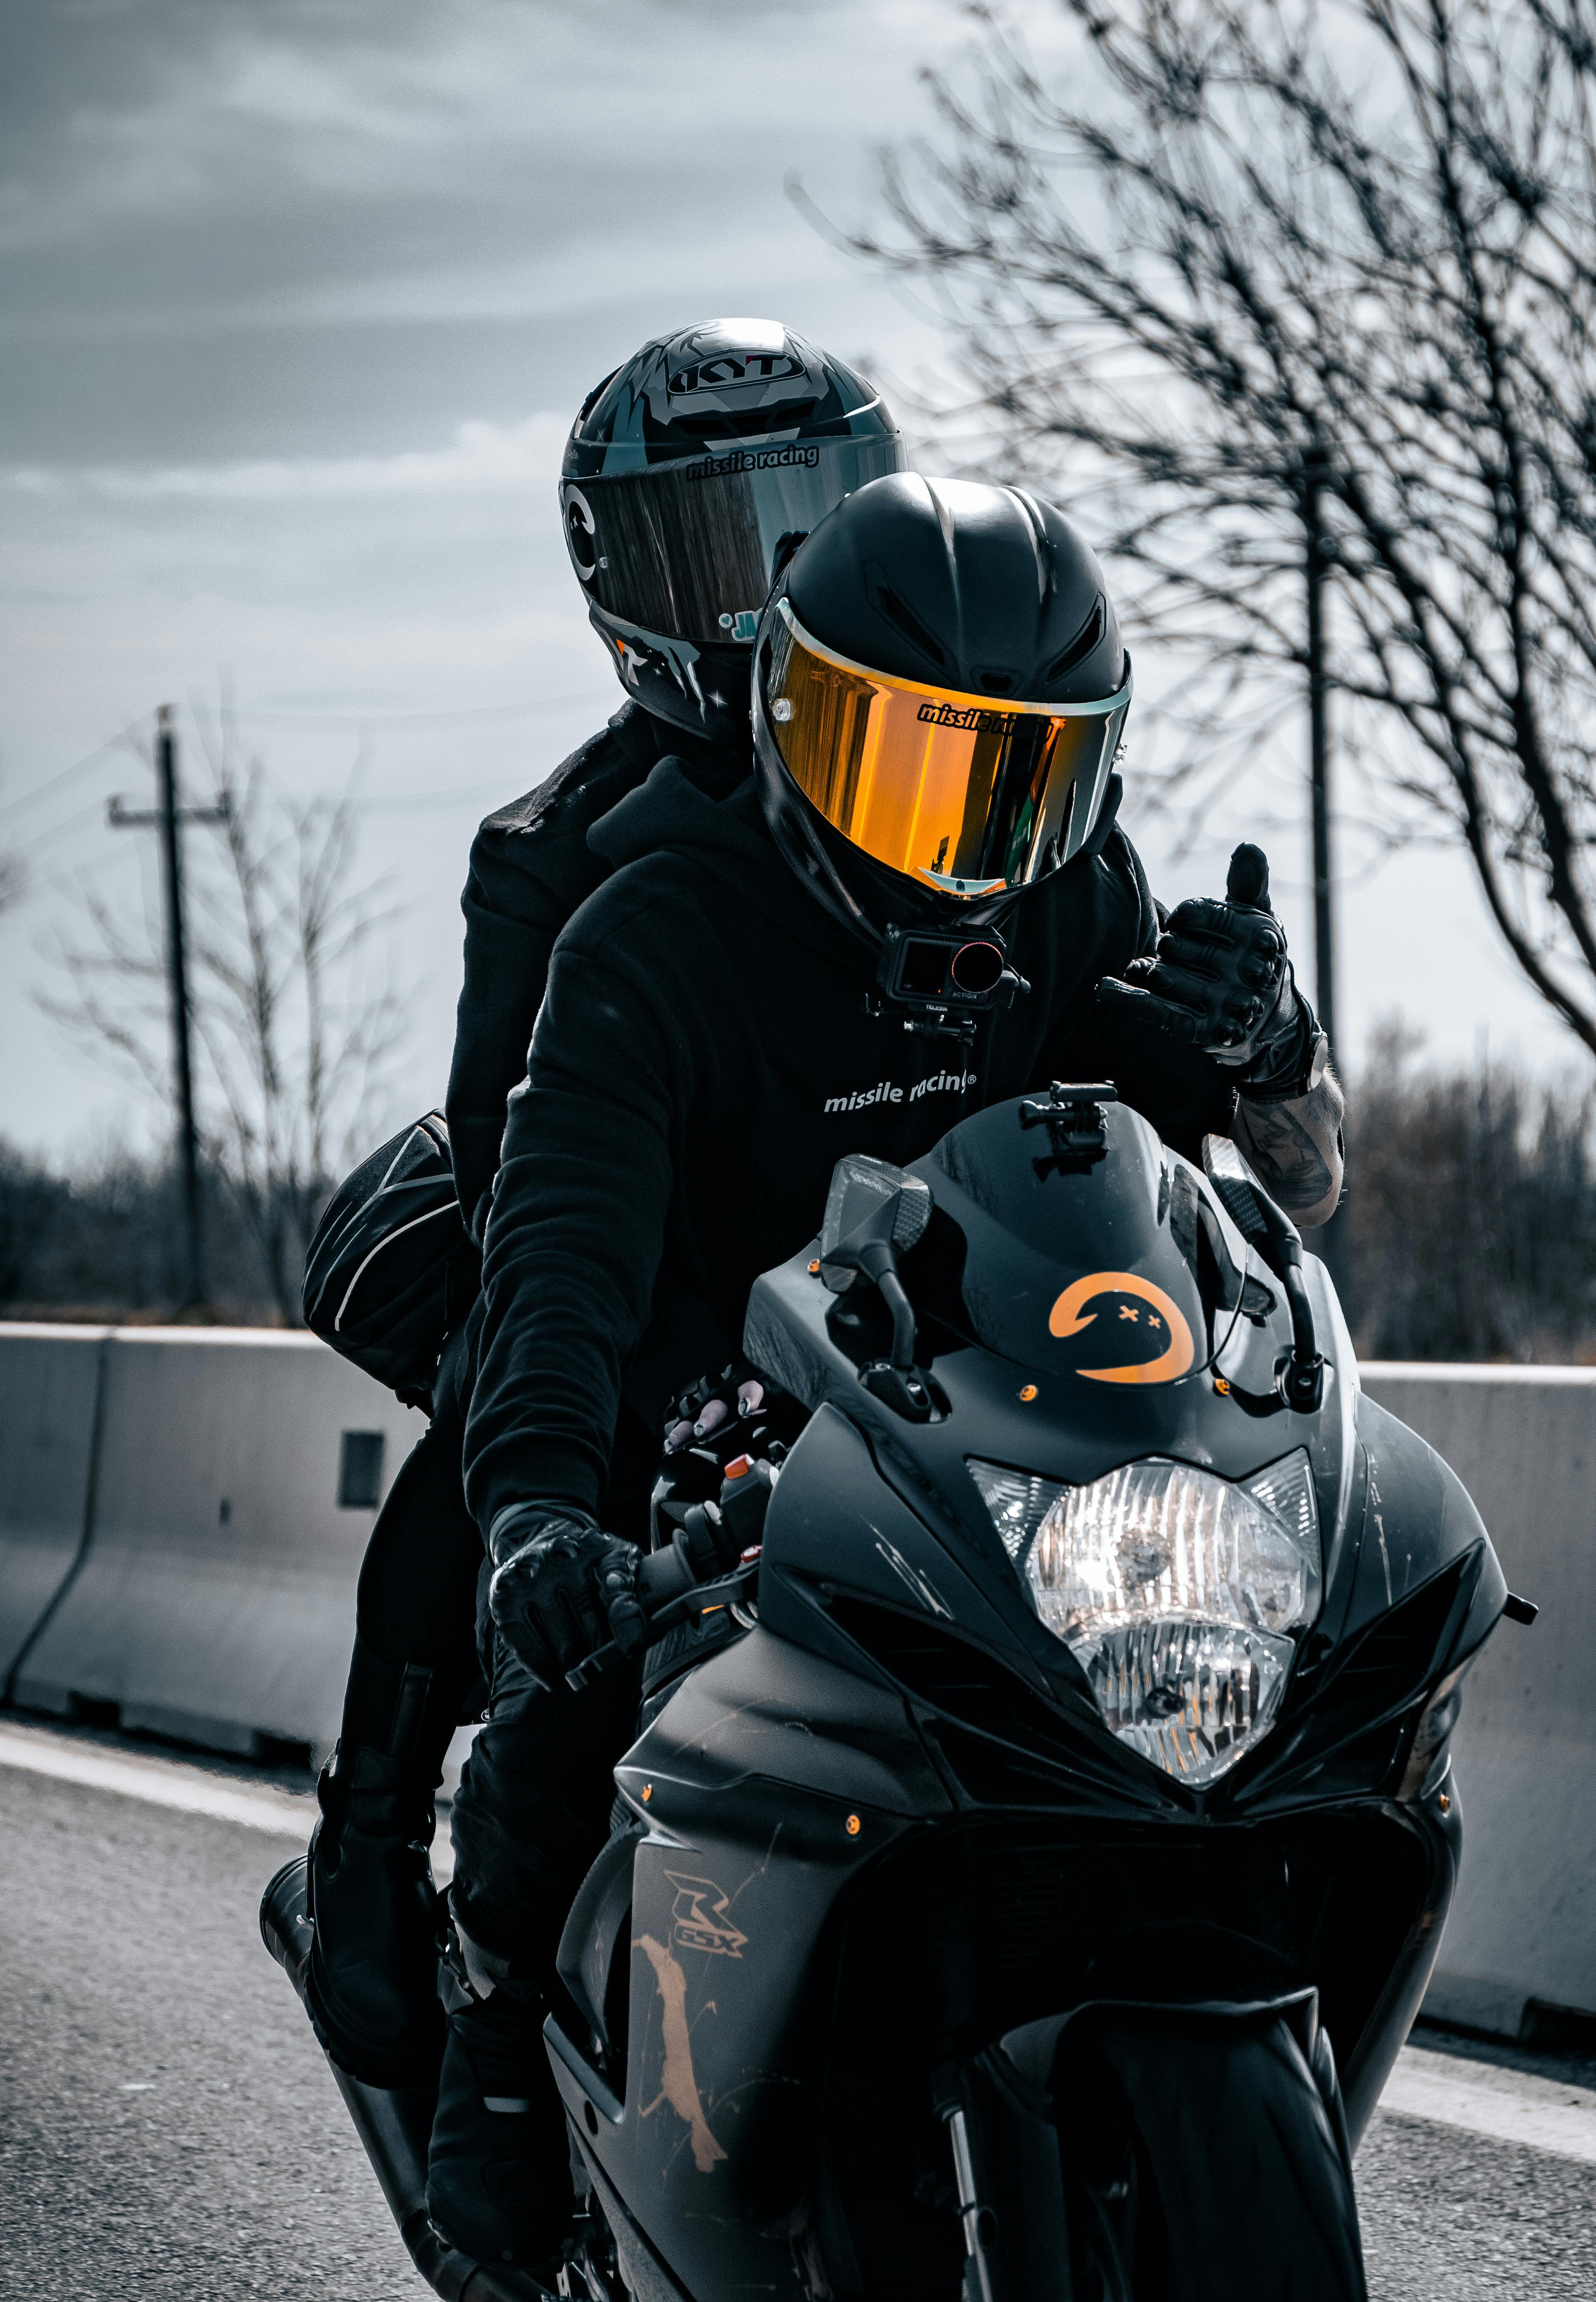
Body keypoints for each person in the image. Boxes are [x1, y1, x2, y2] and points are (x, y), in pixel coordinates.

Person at [427, 470, 1345, 2270]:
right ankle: (501, 2065)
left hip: (992, 1439)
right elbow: (556, 1259)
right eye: (904, 758)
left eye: (1013, 772)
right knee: (561, 1694)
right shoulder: (650, 934)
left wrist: (1263, 1041)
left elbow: (1200, 1191)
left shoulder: (1079, 907)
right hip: (705, 1425)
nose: (957, 830)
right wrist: (538, 1508)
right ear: (788, 717)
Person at [299, 319, 907, 2094]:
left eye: (813, 524)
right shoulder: (559, 852)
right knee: (515, 1364)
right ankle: (383, 1835)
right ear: (624, 587)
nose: (773, 590)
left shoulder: (942, 754)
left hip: (906, 1296)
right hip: (668, 1285)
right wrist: (657, 1390)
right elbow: (528, 1169)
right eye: (726, 548)